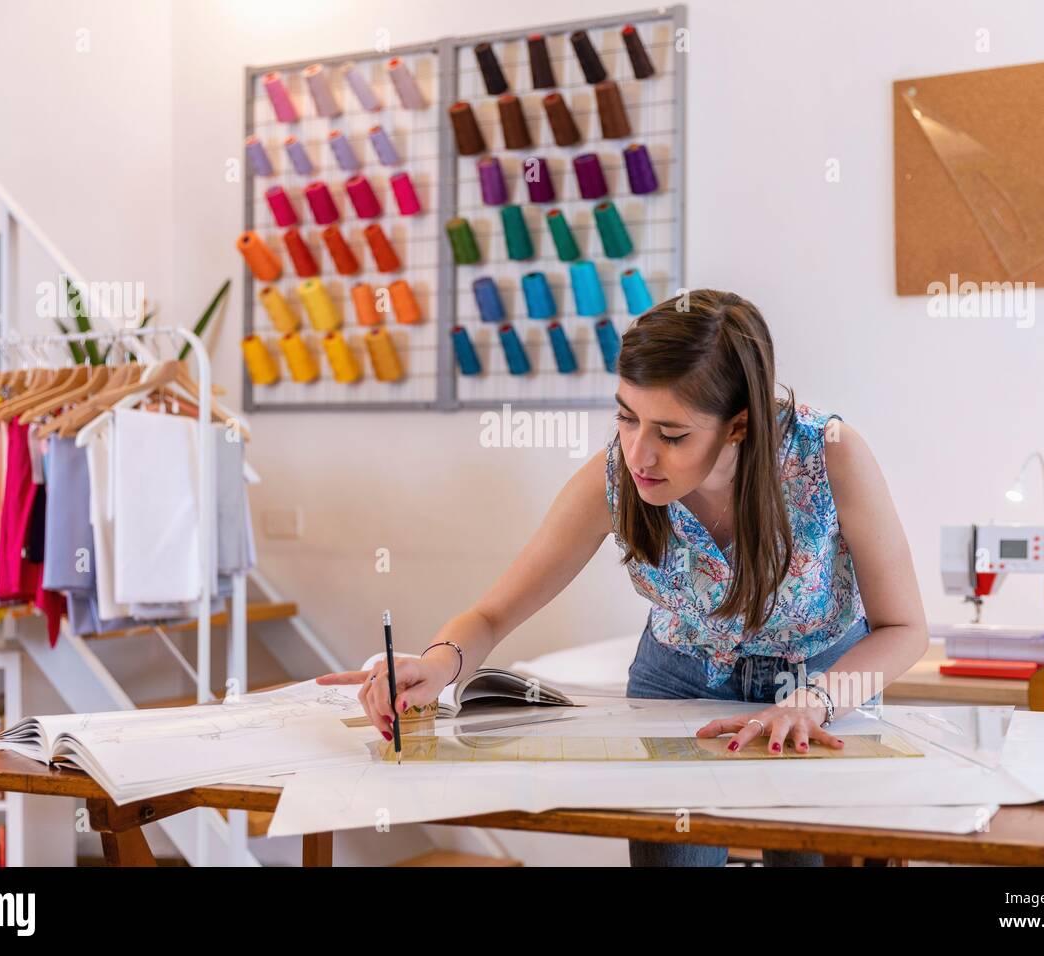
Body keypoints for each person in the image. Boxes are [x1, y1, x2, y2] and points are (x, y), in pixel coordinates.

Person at [319, 289, 929, 867]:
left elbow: (904, 628)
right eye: (627, 418)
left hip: (823, 680)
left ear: (738, 424)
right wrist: (439, 662)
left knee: (809, 858)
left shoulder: (828, 454)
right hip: (679, 680)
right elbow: (492, 615)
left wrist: (811, 703)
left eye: (671, 434)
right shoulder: (614, 478)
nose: (639, 454)